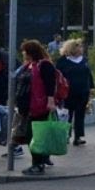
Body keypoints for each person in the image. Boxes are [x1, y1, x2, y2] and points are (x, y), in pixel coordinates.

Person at [16, 39, 59, 176]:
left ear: (30, 52)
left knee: (33, 135)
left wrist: (50, 101)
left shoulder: (44, 65)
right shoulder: (30, 65)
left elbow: (50, 84)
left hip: (40, 105)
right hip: (31, 106)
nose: (23, 54)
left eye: (25, 51)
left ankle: (38, 164)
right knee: (33, 134)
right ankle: (40, 160)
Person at [55, 38, 95, 146]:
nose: (81, 49)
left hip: (83, 91)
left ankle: (78, 137)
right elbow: (57, 76)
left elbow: (89, 74)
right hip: (68, 93)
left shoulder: (84, 60)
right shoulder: (63, 61)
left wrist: (92, 87)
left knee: (80, 114)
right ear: (72, 49)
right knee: (67, 114)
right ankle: (66, 135)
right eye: (79, 47)